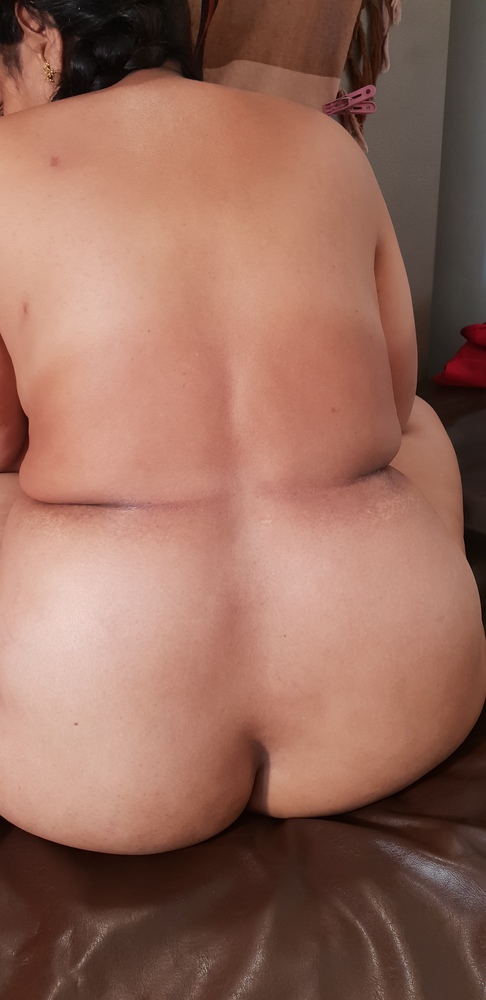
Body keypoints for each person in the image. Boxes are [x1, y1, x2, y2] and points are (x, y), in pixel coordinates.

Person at [0, 0, 484, 857]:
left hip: (97, 749)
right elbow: (392, 405)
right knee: (421, 430)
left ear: (36, 28)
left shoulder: (7, 165)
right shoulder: (325, 145)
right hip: (398, 699)